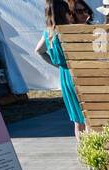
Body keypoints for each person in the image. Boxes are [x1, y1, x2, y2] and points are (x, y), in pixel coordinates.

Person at [35, 0, 87, 140]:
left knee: (77, 120)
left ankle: (84, 152)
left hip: (64, 76)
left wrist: (59, 65)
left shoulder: (48, 32)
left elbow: (38, 51)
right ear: (65, 13)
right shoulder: (68, 30)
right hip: (78, 75)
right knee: (88, 117)